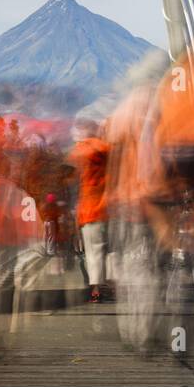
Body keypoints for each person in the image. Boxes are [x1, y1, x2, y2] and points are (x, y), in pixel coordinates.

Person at [68, 117, 110, 302]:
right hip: (108, 205)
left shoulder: (79, 150)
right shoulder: (107, 149)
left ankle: (96, 289)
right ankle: (104, 285)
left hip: (89, 207)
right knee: (105, 249)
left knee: (93, 250)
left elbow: (69, 179)